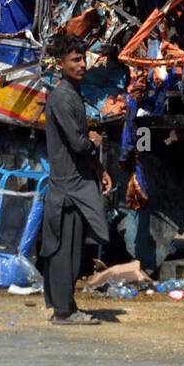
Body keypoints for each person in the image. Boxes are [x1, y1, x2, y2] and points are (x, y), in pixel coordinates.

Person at [39, 34, 114, 326]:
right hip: (67, 187)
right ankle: (63, 311)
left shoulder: (72, 94)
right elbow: (78, 142)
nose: (82, 64)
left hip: (78, 181)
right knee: (63, 250)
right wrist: (94, 141)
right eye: (75, 60)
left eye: (83, 59)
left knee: (72, 250)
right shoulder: (61, 97)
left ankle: (67, 306)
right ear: (60, 64)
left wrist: (99, 170)